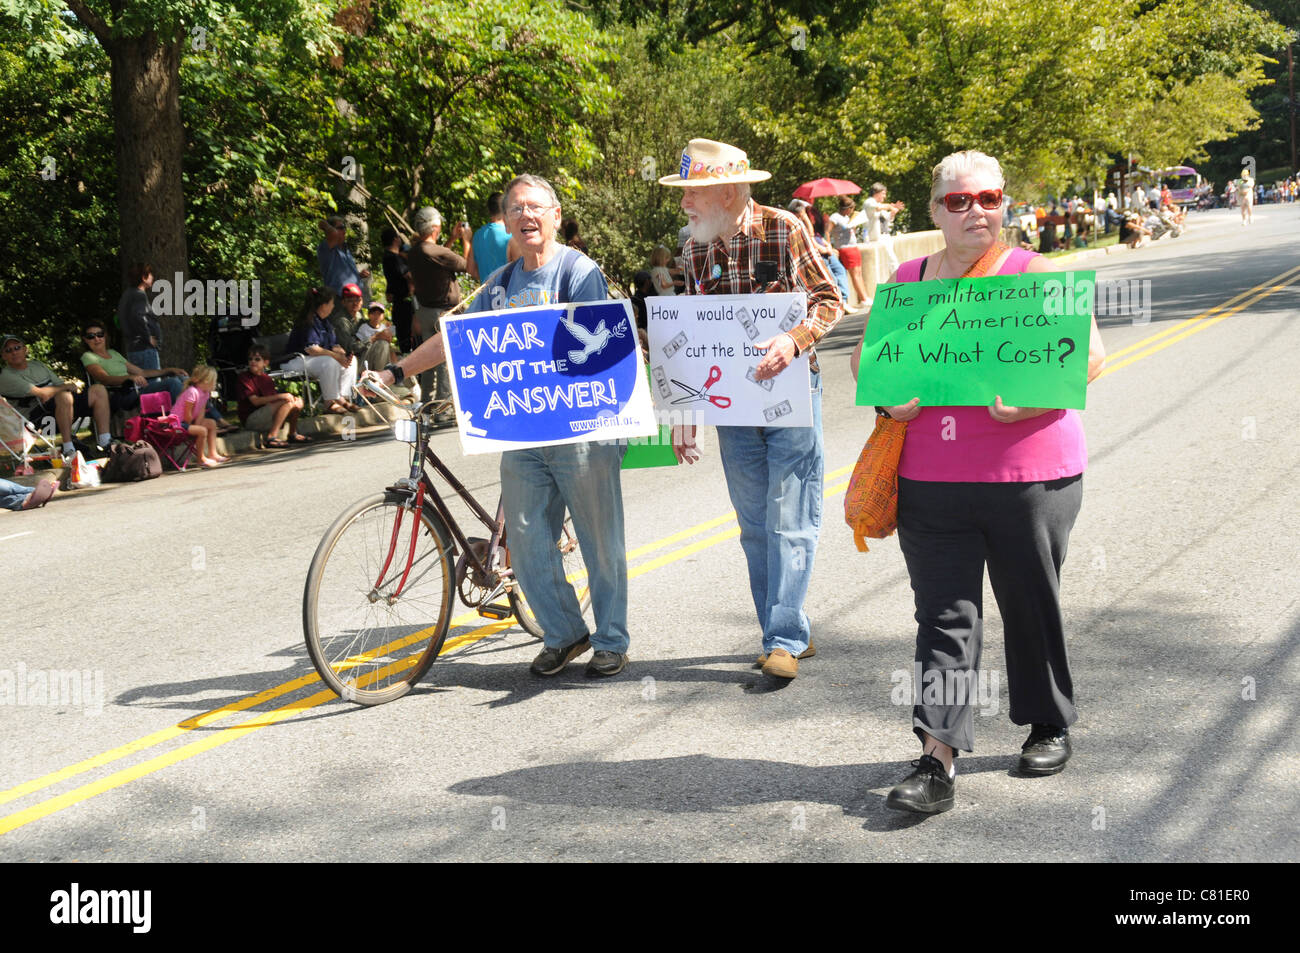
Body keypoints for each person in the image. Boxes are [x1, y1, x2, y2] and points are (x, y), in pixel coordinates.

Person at [850, 149, 1106, 815]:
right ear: (934, 211)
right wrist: (888, 402)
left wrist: (1029, 401)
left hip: (1031, 475)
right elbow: (867, 361)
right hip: (930, 480)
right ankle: (937, 759)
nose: (977, 211)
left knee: (1030, 600)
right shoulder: (909, 279)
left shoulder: (1033, 271)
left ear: (1004, 204)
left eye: (989, 198)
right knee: (942, 617)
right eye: (959, 201)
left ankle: (1047, 721)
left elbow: (1091, 356)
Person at [374, 173, 632, 678]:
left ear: (555, 216)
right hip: (525, 434)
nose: (526, 216)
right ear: (507, 221)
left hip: (581, 433)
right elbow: (455, 338)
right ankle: (563, 633)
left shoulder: (579, 273)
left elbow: (603, 346)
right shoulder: (501, 283)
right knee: (528, 536)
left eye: (536, 207)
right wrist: (395, 369)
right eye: (516, 209)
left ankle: (611, 640)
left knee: (600, 539)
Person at [661, 138, 845, 680]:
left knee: (791, 516)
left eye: (693, 194)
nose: (685, 206)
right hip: (731, 404)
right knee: (754, 524)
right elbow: (691, 339)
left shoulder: (785, 229)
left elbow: (831, 300)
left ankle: (782, 639)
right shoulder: (694, 249)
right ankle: (785, 632)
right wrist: (684, 413)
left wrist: (792, 341)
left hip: (790, 396)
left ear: (728, 190)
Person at [407, 206, 472, 424]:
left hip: (425, 311)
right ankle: (443, 410)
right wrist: (465, 240)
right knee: (445, 360)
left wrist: (452, 239)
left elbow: (437, 255)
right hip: (443, 312)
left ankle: (425, 406)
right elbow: (467, 265)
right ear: (436, 227)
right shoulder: (435, 252)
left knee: (427, 361)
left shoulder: (415, 251)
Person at [1, 333, 112, 457]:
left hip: (63, 408)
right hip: (39, 420)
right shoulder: (5, 376)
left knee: (98, 389)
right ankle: (68, 448)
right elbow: (43, 393)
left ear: (25, 349)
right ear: (3, 356)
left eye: (17, 348)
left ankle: (105, 442)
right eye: (8, 350)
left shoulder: (38, 365)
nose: (14, 352)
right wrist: (64, 387)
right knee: (64, 396)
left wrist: (61, 388)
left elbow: (59, 384)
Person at [80, 322, 185, 416]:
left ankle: (194, 420)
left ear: (105, 336)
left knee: (183, 379)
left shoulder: (113, 353)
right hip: (121, 394)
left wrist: (169, 370)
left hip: (137, 389)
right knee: (173, 383)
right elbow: (104, 378)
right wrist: (129, 378)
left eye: (100, 334)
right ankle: (181, 423)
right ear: (85, 340)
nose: (97, 339)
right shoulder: (88, 356)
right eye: (91, 336)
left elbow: (142, 372)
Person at [285, 287, 360, 415]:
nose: (333, 306)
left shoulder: (325, 322)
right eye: (331, 303)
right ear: (323, 305)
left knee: (351, 362)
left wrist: (342, 354)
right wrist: (336, 356)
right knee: (329, 362)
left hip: (314, 360)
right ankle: (330, 403)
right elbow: (311, 349)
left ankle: (345, 399)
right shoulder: (308, 321)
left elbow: (333, 345)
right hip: (295, 360)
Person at [237, 344, 306, 447]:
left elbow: (273, 402)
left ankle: (292, 433)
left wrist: (294, 400)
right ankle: (271, 437)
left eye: (257, 359)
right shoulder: (244, 378)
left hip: (267, 417)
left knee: (296, 402)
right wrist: (281, 396)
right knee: (286, 401)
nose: (252, 362)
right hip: (252, 420)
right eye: (250, 359)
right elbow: (256, 401)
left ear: (266, 362)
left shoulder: (267, 379)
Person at [173, 365, 228, 467]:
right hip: (177, 423)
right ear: (206, 381)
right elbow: (187, 413)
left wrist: (198, 424)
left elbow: (201, 412)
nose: (215, 384)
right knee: (202, 431)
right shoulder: (192, 392)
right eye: (214, 381)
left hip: (188, 422)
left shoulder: (206, 393)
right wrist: (194, 427)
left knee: (211, 423)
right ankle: (201, 458)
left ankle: (213, 454)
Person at [117, 262, 164, 370]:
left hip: (134, 348)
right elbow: (138, 317)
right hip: (144, 349)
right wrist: (148, 338)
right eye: (150, 274)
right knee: (153, 383)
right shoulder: (139, 295)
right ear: (144, 277)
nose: (152, 277)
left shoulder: (127, 294)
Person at [317, 214, 371, 299]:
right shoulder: (326, 248)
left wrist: (358, 275)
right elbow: (332, 233)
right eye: (341, 228)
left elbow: (344, 276)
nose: (344, 231)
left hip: (354, 297)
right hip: (339, 299)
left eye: (344, 228)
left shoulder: (346, 249)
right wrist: (324, 225)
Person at [829, 196, 869, 307]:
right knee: (855, 274)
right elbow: (828, 232)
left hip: (853, 246)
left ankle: (864, 297)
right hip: (845, 248)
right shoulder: (835, 217)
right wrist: (829, 245)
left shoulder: (847, 218)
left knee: (859, 273)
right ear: (847, 208)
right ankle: (863, 298)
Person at [381, 226, 415, 352]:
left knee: (405, 335)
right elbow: (408, 275)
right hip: (404, 302)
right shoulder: (393, 258)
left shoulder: (388, 258)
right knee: (407, 336)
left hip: (398, 301)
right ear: (395, 239)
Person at [861, 182, 903, 276]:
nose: (885, 196)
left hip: (885, 236)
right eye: (883, 193)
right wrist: (890, 206)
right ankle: (898, 278)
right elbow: (878, 208)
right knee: (892, 260)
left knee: (891, 260)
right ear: (877, 192)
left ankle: (896, 278)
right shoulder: (869, 202)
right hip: (874, 238)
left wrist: (893, 211)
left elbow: (887, 218)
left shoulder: (879, 204)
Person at [469, 192, 510, 282]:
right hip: (509, 293)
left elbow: (471, 270)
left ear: (489, 211)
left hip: (487, 293)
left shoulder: (478, 235)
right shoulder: (511, 235)